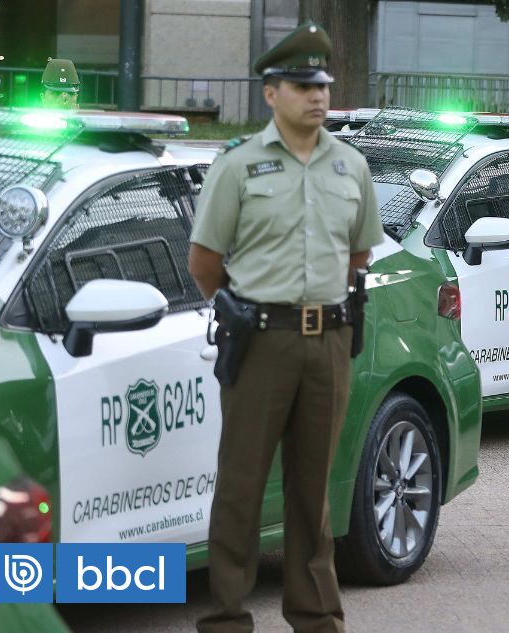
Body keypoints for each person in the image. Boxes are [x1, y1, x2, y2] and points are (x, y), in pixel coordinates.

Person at [187, 21, 383, 633]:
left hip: (329, 341)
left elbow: (358, 255)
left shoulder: (351, 165)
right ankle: (226, 616)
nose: (317, 96)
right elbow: (204, 262)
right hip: (260, 341)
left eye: (321, 84)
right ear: (271, 93)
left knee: (312, 488)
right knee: (242, 484)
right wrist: (248, 309)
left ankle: (316, 615)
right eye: (302, 86)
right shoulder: (238, 166)